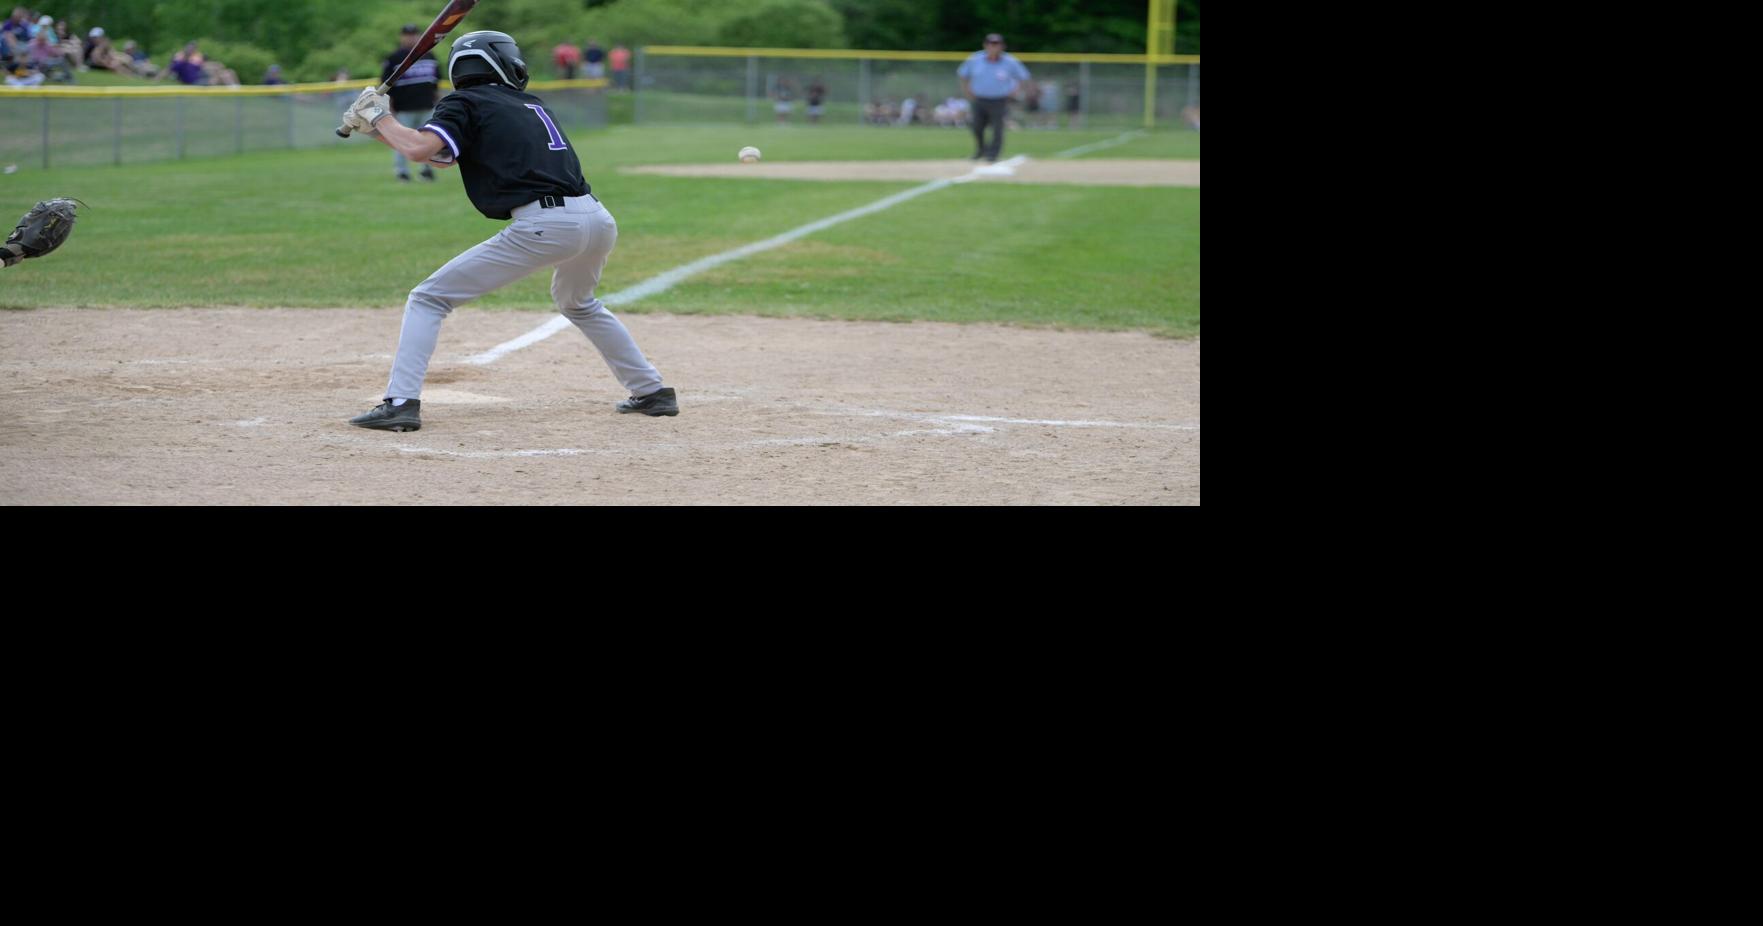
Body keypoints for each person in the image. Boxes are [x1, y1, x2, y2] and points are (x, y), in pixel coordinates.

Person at [339, 30, 676, 432]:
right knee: (578, 302)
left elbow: (419, 150)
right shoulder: (525, 103)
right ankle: (652, 390)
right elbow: (442, 155)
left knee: (428, 298)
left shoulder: (464, 101)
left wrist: (380, 114)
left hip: (546, 224)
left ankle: (399, 402)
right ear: (503, 64)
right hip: (596, 220)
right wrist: (376, 128)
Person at [956, 32, 1029, 162]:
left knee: (997, 128)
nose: (993, 47)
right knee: (977, 127)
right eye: (991, 44)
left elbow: (1023, 77)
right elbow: (963, 75)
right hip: (979, 99)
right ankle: (981, 150)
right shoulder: (975, 59)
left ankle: (993, 154)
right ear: (985, 45)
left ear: (1002, 46)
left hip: (999, 100)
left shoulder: (1010, 61)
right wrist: (967, 91)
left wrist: (1014, 92)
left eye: (996, 44)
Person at [383, 23, 440, 182]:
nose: (411, 37)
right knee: (402, 141)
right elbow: (386, 85)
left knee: (429, 141)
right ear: (402, 37)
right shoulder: (394, 58)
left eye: (414, 34)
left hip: (427, 106)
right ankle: (402, 172)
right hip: (404, 108)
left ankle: (427, 170)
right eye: (408, 34)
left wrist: (437, 101)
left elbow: (435, 82)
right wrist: (389, 106)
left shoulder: (429, 55)